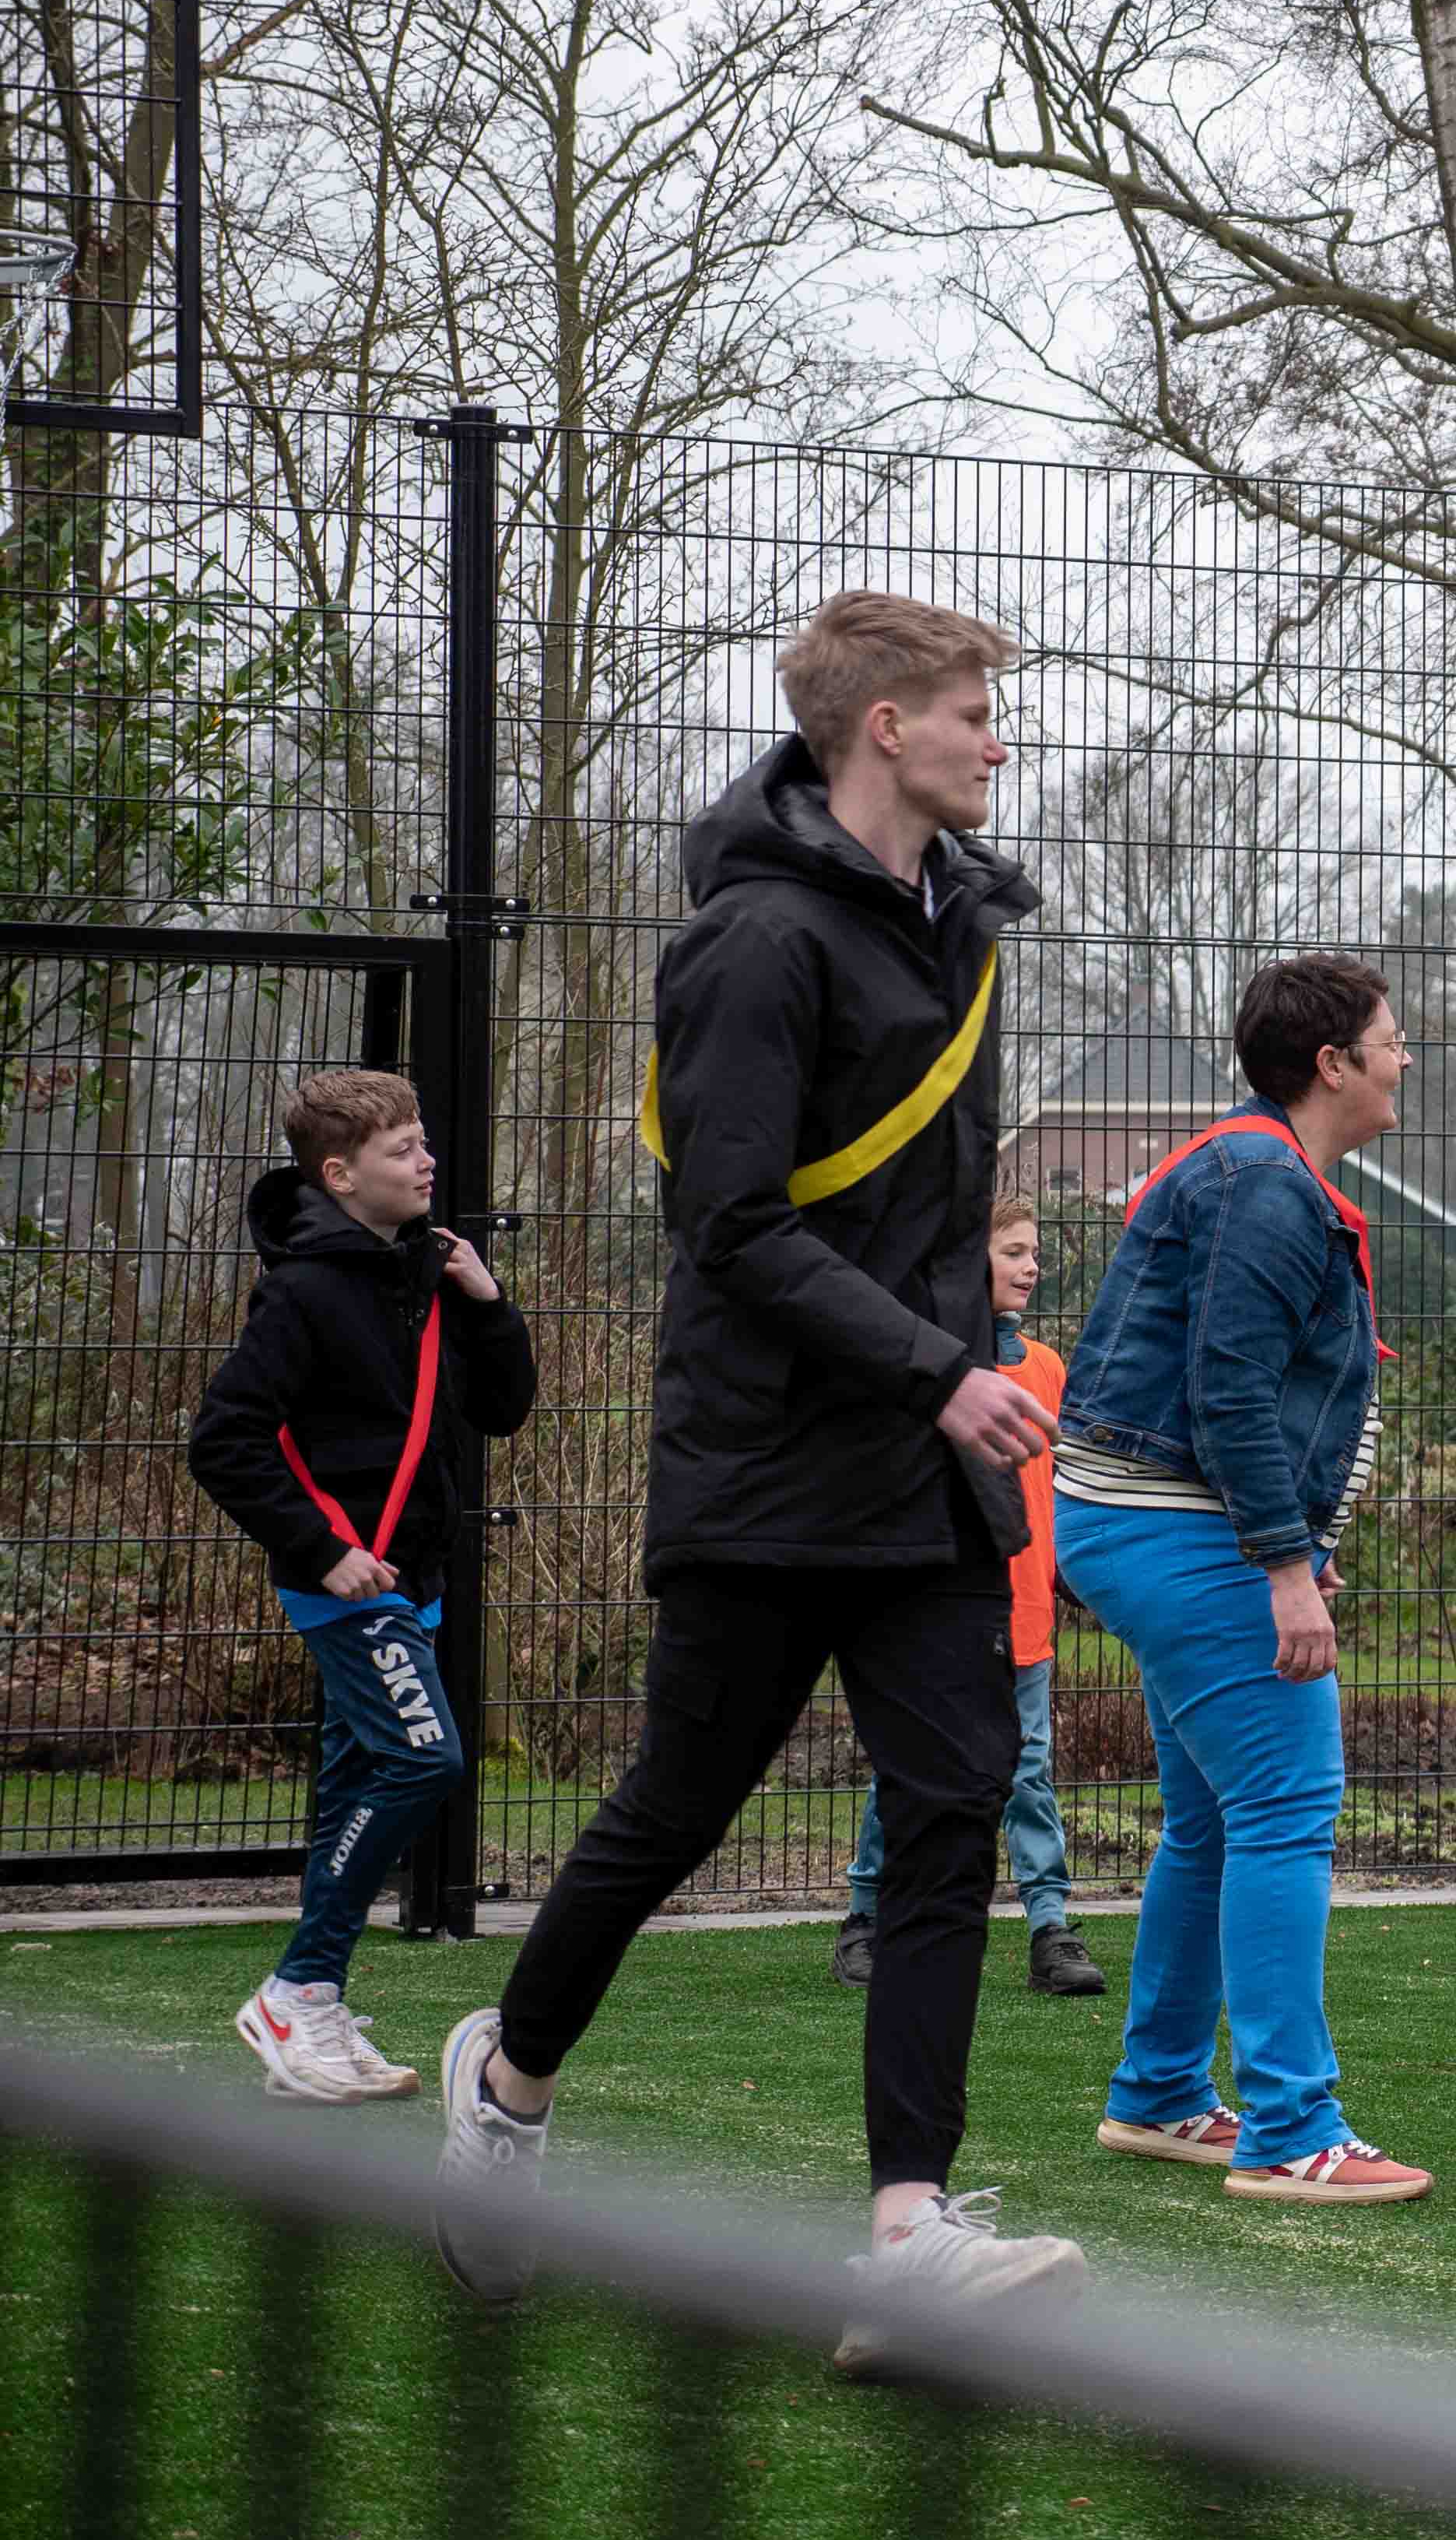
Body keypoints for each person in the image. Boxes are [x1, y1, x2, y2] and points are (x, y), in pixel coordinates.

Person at [431, 593, 1086, 2359]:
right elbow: (727, 1228)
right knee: (673, 1809)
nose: (995, 743)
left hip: (929, 1474)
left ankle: (906, 2228)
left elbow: (934, 1215)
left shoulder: (961, 932)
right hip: (773, 1462)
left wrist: (966, 1376)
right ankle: (502, 2082)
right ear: (882, 727)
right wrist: (941, 1369)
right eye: (971, 713)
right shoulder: (754, 945)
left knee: (954, 1795)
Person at [1065, 955, 1428, 2204]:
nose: (1404, 1058)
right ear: (1331, 1064)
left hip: (1144, 1524)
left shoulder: (1258, 1168)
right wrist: (1288, 1570)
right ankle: (1292, 2131)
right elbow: (1226, 1389)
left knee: (1218, 1819)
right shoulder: (1268, 1185)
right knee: (1285, 1809)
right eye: (1391, 1040)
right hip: (1186, 1531)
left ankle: (1161, 2094)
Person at [187, 1069, 539, 2102]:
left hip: (413, 1576)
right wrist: (323, 1550)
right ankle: (296, 1989)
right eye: (403, 1150)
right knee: (424, 1761)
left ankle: (314, 2012)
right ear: (339, 1175)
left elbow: (504, 1410)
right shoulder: (301, 1291)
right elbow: (225, 1440)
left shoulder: (424, 1275)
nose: (427, 1161)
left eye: (425, 1142)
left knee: (354, 1782)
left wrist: (489, 1302)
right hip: (347, 1579)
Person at [833, 1191, 1103, 2000]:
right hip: (932, 1617)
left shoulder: (1050, 1369)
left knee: (1028, 1774)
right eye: (1014, 1251)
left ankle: (1050, 1930)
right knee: (907, 1769)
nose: (1032, 1266)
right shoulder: (924, 1362)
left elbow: (1063, 1485)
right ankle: (866, 1917)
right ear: (966, 1258)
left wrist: (1072, 1571)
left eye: (1034, 1253)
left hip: (1024, 1620)